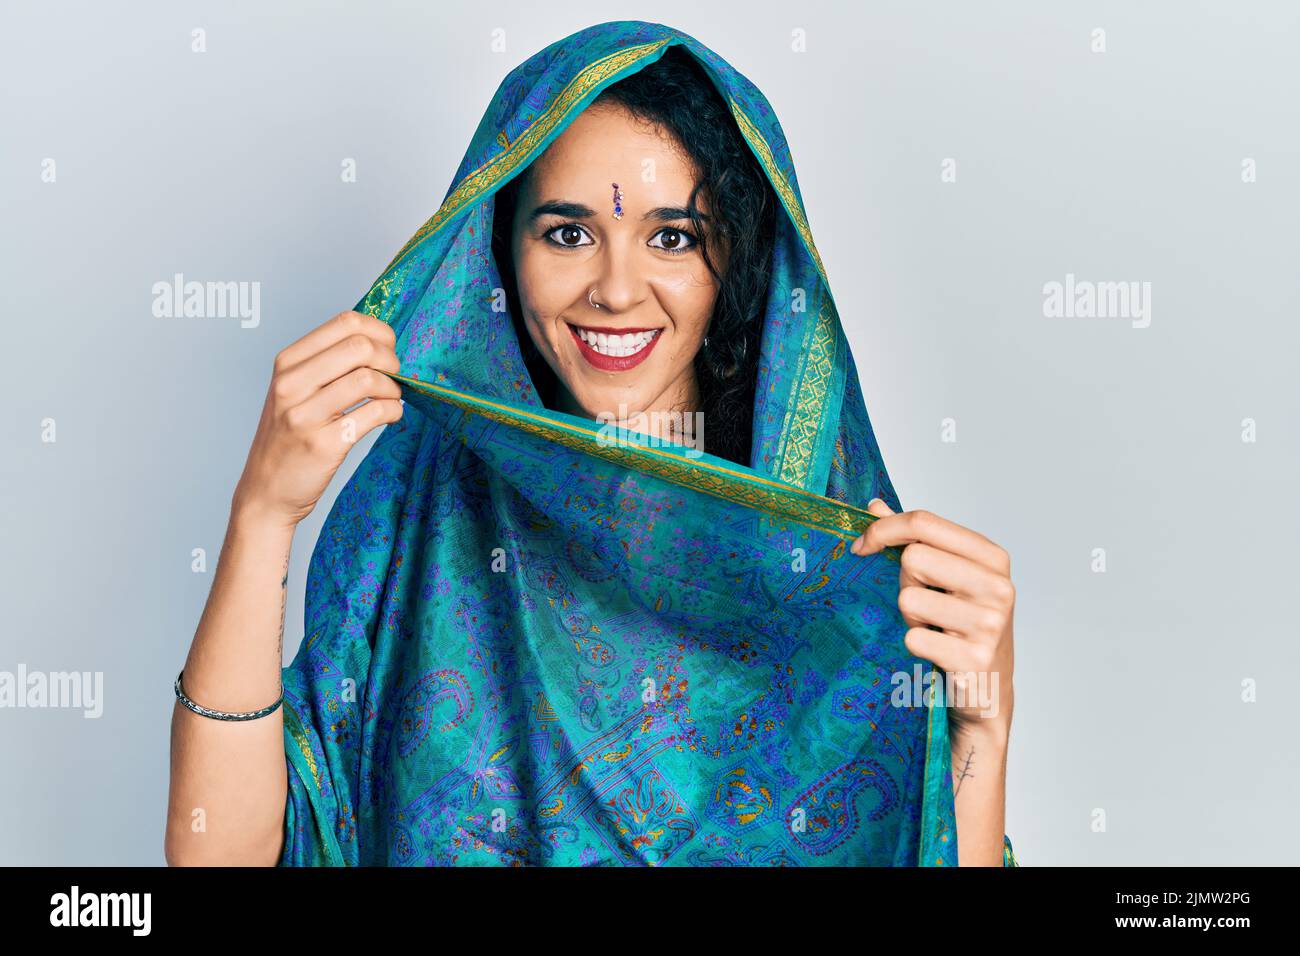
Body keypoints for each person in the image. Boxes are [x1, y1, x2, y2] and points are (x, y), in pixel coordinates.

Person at [165, 20, 1019, 867]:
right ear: (499, 249)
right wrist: (262, 516)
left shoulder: (836, 573)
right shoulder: (419, 506)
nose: (615, 290)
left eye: (672, 238)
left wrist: (980, 727)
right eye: (568, 233)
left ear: (741, 260)